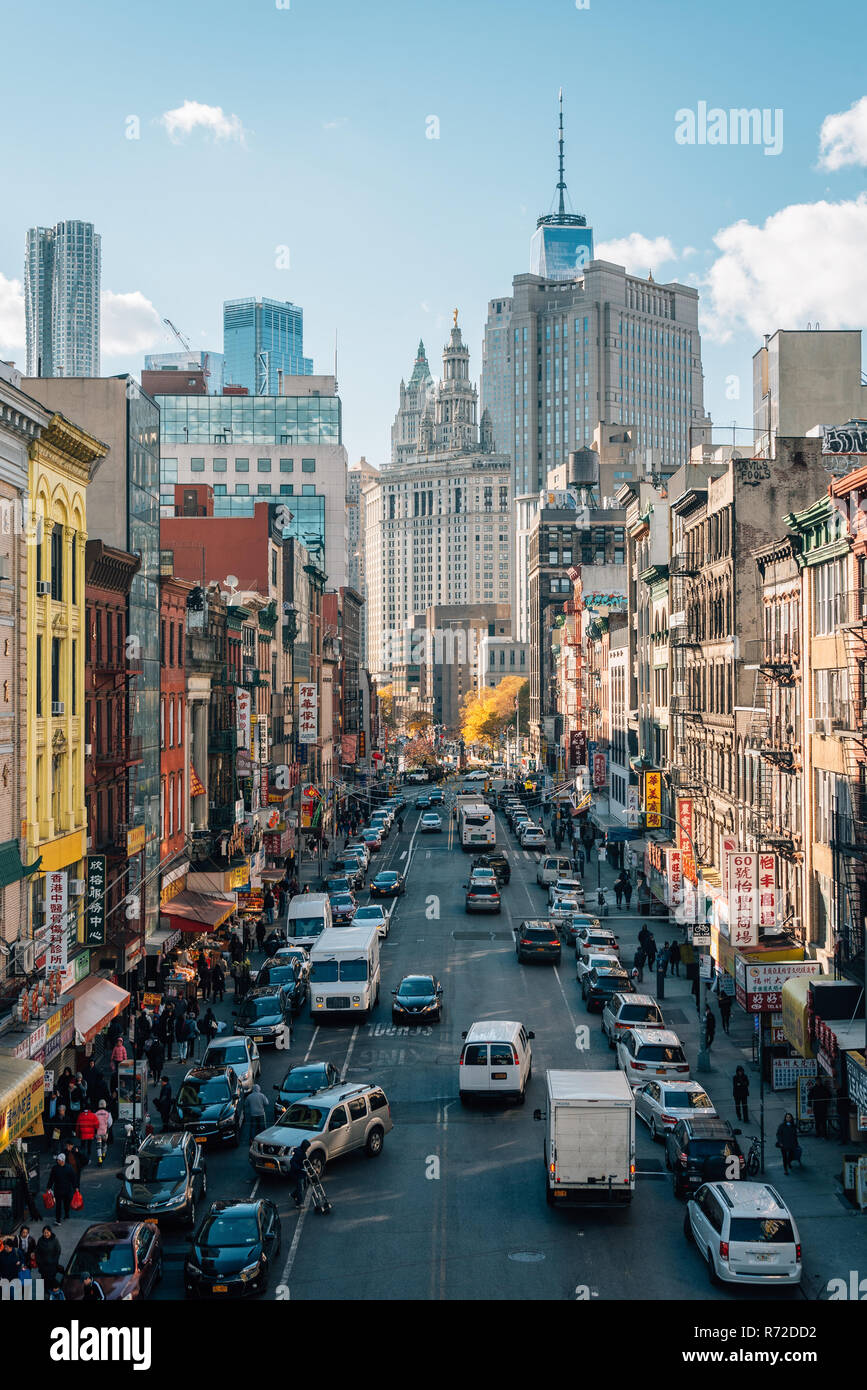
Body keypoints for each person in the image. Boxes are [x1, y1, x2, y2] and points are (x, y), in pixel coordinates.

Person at [48, 1153, 76, 1224]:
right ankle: (58, 1219)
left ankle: (66, 1214)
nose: (57, 1161)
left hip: (65, 1190)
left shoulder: (68, 1168)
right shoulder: (58, 1168)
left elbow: (73, 1179)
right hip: (60, 1190)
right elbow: (51, 1178)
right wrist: (49, 1187)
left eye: (59, 1160)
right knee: (58, 1206)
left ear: (62, 1161)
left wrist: (75, 1187)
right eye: (57, 1160)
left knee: (66, 1204)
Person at [289, 1139, 311, 1207]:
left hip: (301, 1173)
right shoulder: (298, 1153)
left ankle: (293, 1194)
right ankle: (299, 1203)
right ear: (304, 1147)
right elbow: (292, 1161)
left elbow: (305, 1161)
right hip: (297, 1173)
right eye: (307, 1147)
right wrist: (299, 1168)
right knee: (300, 1187)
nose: (307, 1149)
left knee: (303, 1186)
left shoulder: (302, 1152)